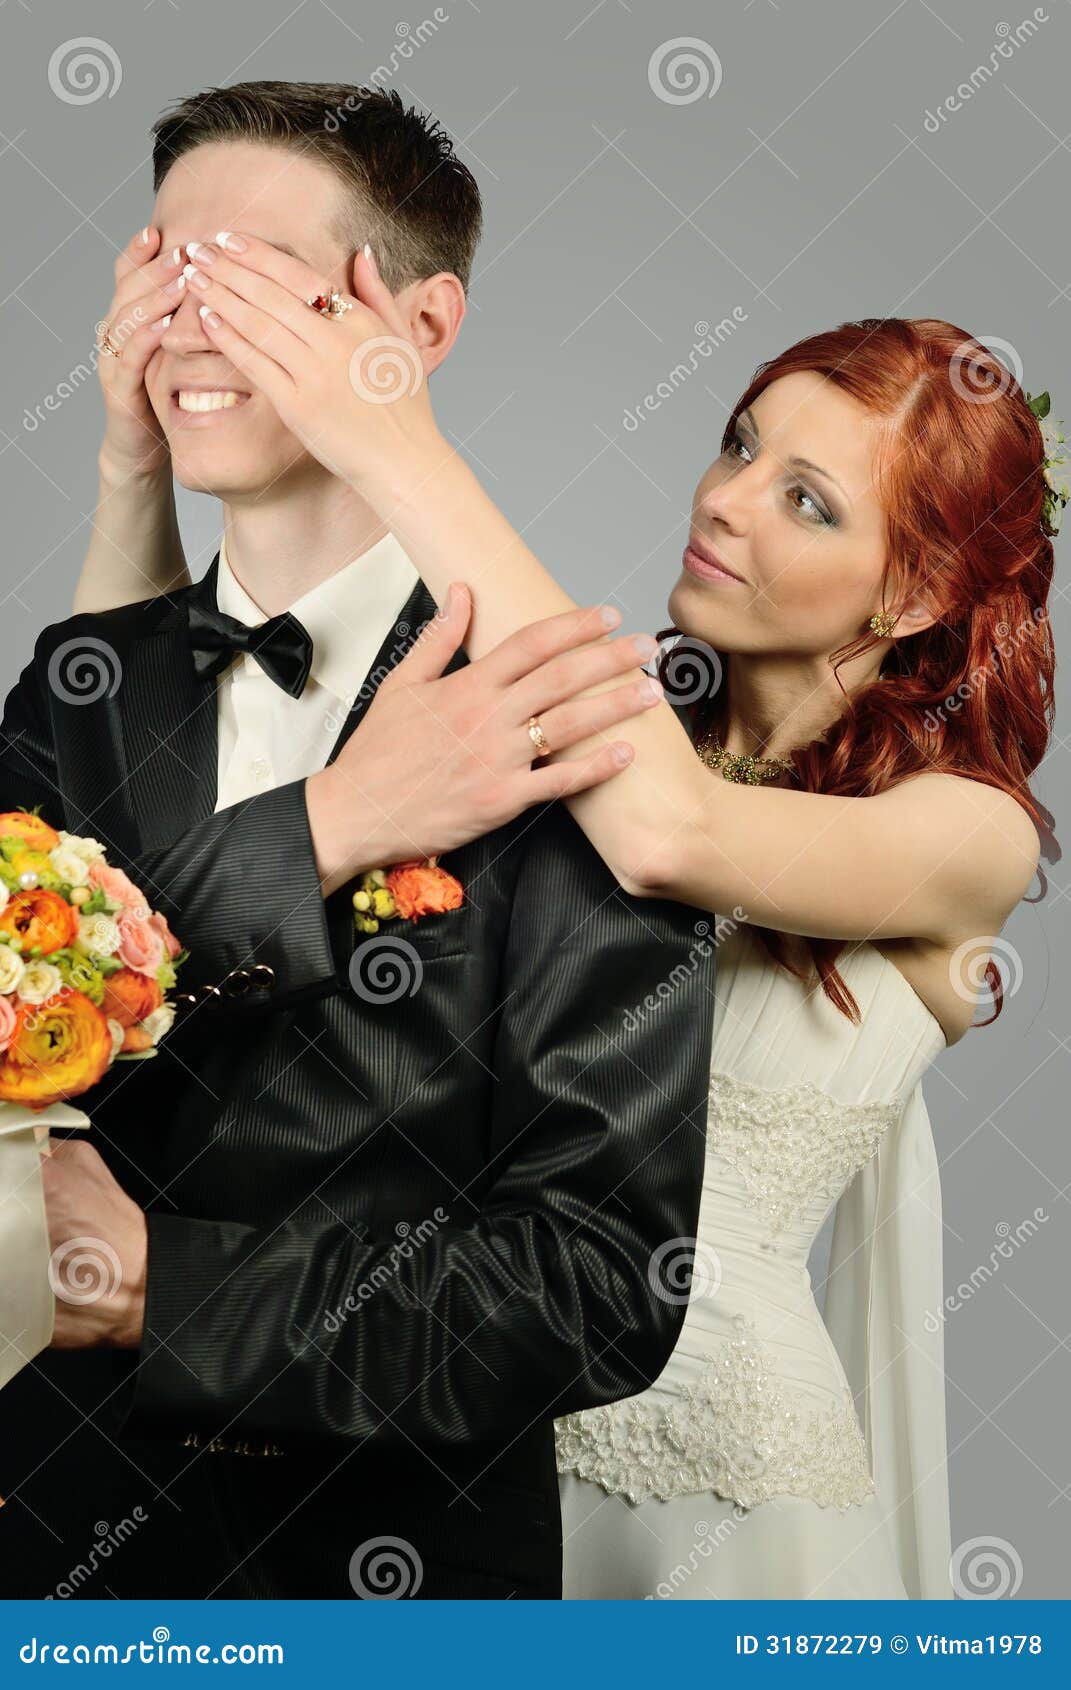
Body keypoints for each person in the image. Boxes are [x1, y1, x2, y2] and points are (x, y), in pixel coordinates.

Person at [0, 82, 720, 1601]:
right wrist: (322, 827)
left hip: (389, 1581)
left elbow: (600, 1286)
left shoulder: (568, 727)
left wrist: (161, 1289)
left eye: (255, 275)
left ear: (423, 325)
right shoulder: (79, 689)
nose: (195, 322)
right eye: (164, 271)